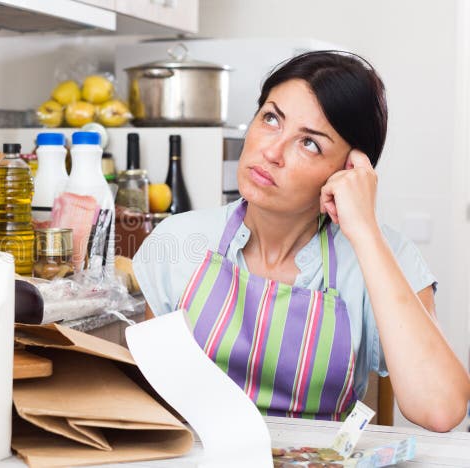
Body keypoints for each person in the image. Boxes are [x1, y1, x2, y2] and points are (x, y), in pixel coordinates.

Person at [133, 51, 470, 431]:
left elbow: (440, 410)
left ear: (349, 170)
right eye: (271, 119)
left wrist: (365, 231)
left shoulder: (384, 257)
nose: (272, 152)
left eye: (309, 143)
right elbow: (155, 405)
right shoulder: (177, 243)